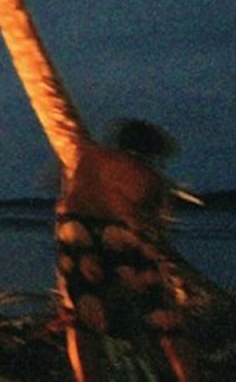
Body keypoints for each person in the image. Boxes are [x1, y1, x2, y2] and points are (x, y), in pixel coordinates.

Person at [56, 119, 194, 382]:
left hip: (74, 232)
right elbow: (145, 223)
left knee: (81, 316)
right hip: (120, 234)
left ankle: (86, 377)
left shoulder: (88, 156)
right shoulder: (148, 176)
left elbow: (67, 196)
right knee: (163, 315)